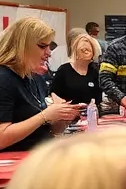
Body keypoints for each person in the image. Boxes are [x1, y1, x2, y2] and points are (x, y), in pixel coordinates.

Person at [0, 18, 80, 151]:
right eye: (42, 47)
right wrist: (45, 116)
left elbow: (45, 131)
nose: (48, 53)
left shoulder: (34, 78)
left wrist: (61, 117)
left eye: (49, 47)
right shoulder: (4, 79)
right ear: (22, 46)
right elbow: (2, 138)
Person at [50, 31, 103, 108]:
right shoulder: (64, 70)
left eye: (89, 49)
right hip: (68, 114)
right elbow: (54, 93)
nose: (86, 53)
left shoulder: (95, 71)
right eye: (83, 50)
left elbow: (98, 98)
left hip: (91, 114)